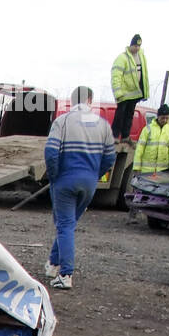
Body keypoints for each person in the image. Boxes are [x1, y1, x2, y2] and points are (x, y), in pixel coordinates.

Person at [44, 86, 115, 291]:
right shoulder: (103, 125)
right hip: (89, 183)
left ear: (72, 100)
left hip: (65, 181)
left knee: (64, 225)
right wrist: (95, 175)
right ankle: (53, 263)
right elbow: (110, 157)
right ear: (90, 100)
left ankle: (65, 274)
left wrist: (55, 175)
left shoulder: (63, 121)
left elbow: (50, 152)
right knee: (68, 224)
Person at [111, 34, 149, 141]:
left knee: (129, 115)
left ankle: (125, 136)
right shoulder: (122, 58)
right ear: (131, 45)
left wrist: (144, 91)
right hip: (124, 93)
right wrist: (118, 92)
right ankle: (114, 136)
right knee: (120, 115)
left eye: (139, 46)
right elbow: (116, 76)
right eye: (135, 46)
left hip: (135, 92)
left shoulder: (141, 57)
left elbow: (144, 75)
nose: (137, 48)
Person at [133, 102, 169, 174]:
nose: (164, 120)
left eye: (167, 118)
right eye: (162, 118)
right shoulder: (148, 129)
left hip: (162, 172)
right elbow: (139, 149)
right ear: (158, 116)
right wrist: (136, 167)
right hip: (147, 171)